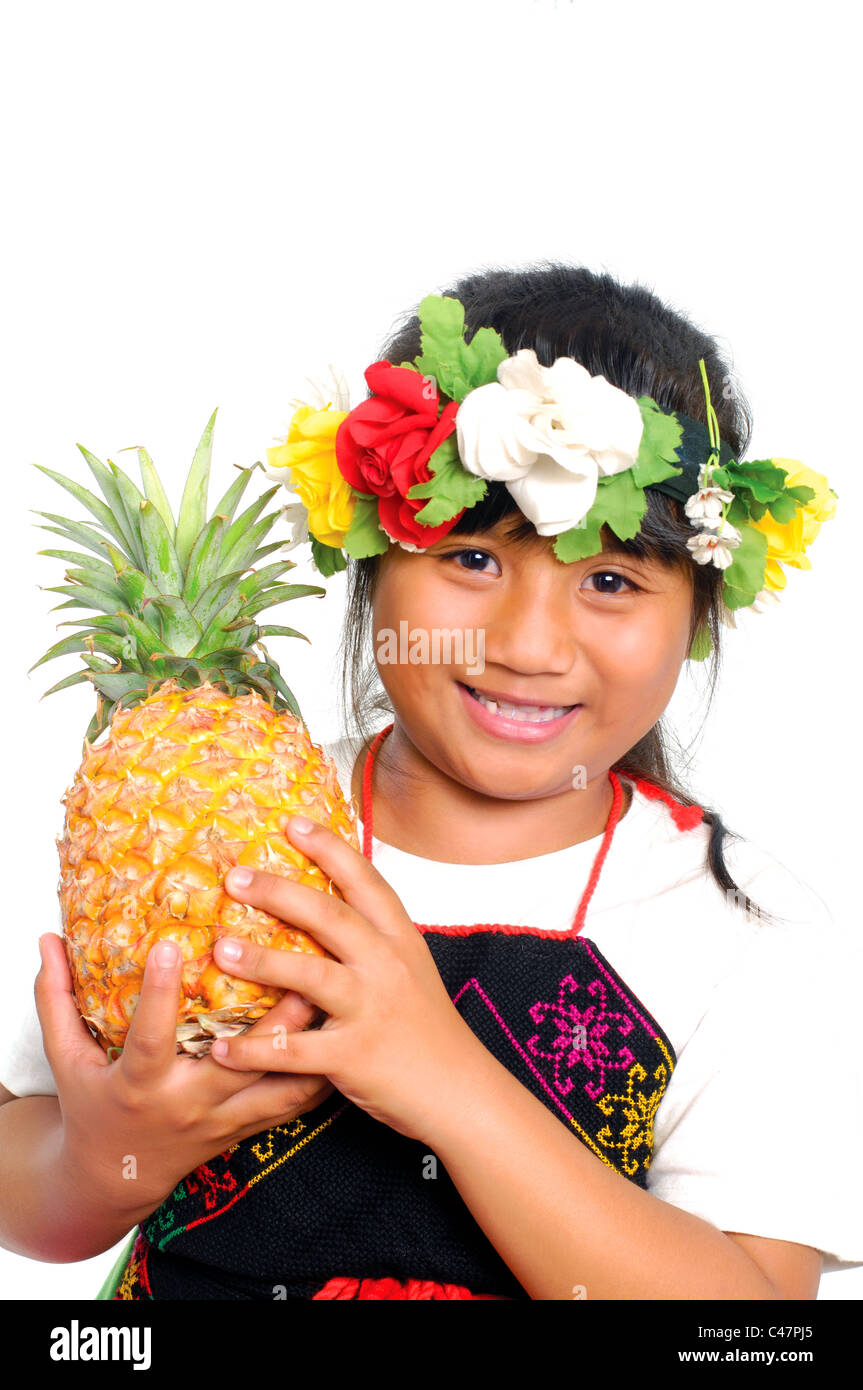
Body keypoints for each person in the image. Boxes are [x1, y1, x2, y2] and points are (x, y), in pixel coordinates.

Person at [1, 263, 859, 1301]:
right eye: (470, 557)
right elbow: (33, 1200)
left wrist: (447, 1081)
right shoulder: (216, 828)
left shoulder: (739, 933)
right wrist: (102, 1156)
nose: (529, 646)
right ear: (370, 564)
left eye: (608, 580)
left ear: (699, 616)